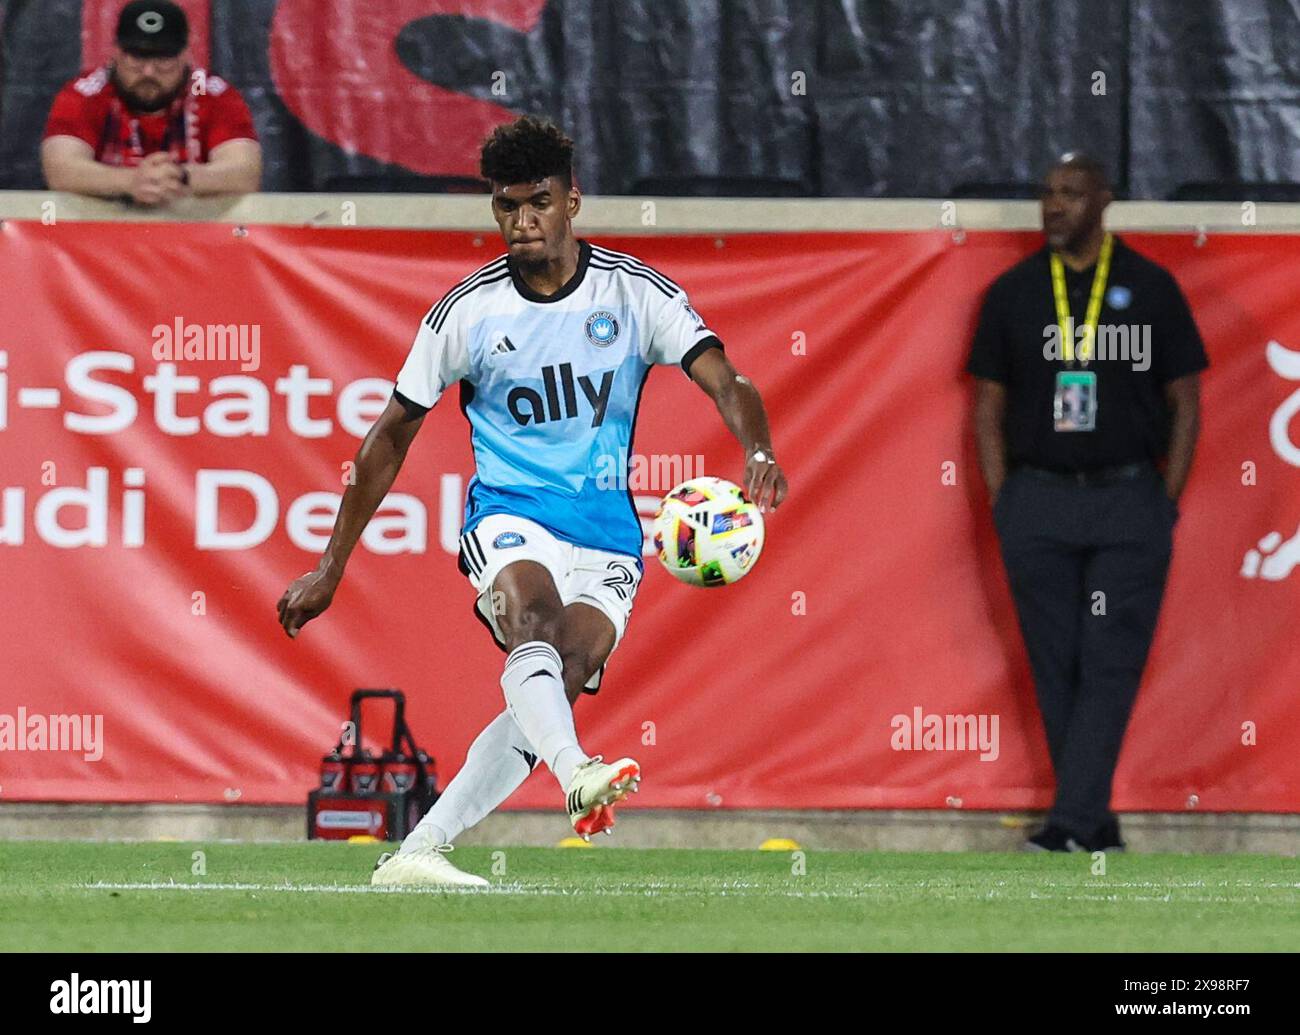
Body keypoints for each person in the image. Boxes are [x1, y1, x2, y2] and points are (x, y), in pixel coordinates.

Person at [277, 116, 788, 887]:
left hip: (610, 531)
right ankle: (577, 771)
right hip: (510, 513)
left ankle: (418, 851)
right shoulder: (469, 312)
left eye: (538, 203)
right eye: (507, 206)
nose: (522, 221)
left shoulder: (633, 292)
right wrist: (329, 566)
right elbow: (389, 436)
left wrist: (756, 449)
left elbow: (728, 379)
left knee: (563, 670)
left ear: (572, 201)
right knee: (535, 625)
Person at [968, 153, 1207, 854]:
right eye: (1046, 193)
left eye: (1070, 194)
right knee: (1055, 662)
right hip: (1038, 500)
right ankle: (1093, 824)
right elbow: (987, 405)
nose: (1053, 205)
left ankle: (1071, 824)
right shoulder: (1012, 293)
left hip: (1128, 497)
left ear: (1104, 201)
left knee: (1110, 661)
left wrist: (1164, 503)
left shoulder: (1151, 288)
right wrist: (1004, 499)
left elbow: (1187, 401)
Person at [41, 1, 260, 206]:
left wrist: (180, 177)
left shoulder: (214, 93)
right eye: (137, 58)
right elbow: (60, 169)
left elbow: (244, 172)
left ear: (185, 55)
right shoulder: (85, 93)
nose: (148, 72)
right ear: (116, 52)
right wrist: (130, 181)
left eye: (162, 59)